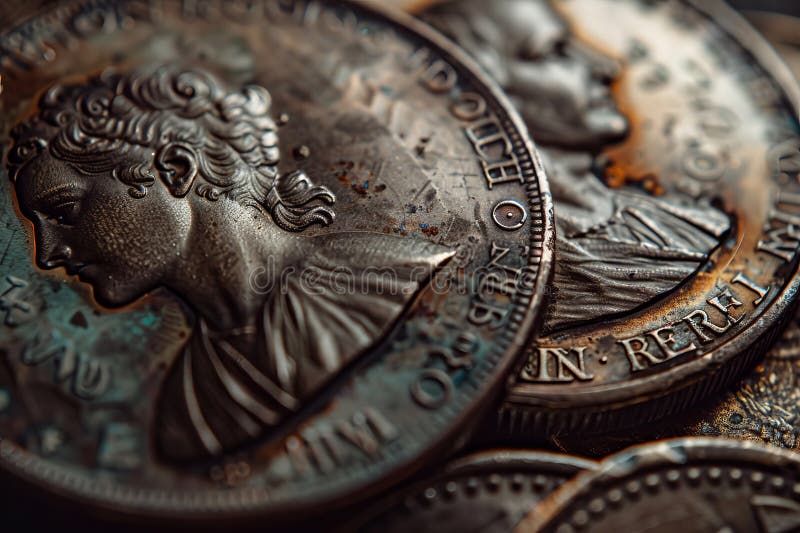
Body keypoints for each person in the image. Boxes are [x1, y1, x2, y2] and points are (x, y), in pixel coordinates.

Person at [6, 66, 453, 461]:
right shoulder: (189, 414)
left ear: (177, 169)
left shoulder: (385, 278)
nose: (47, 253)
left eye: (65, 212)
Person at [423, 0, 730, 332]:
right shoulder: (489, 267)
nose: (606, 67)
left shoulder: (693, 223)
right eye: (556, 51)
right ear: (481, 89)